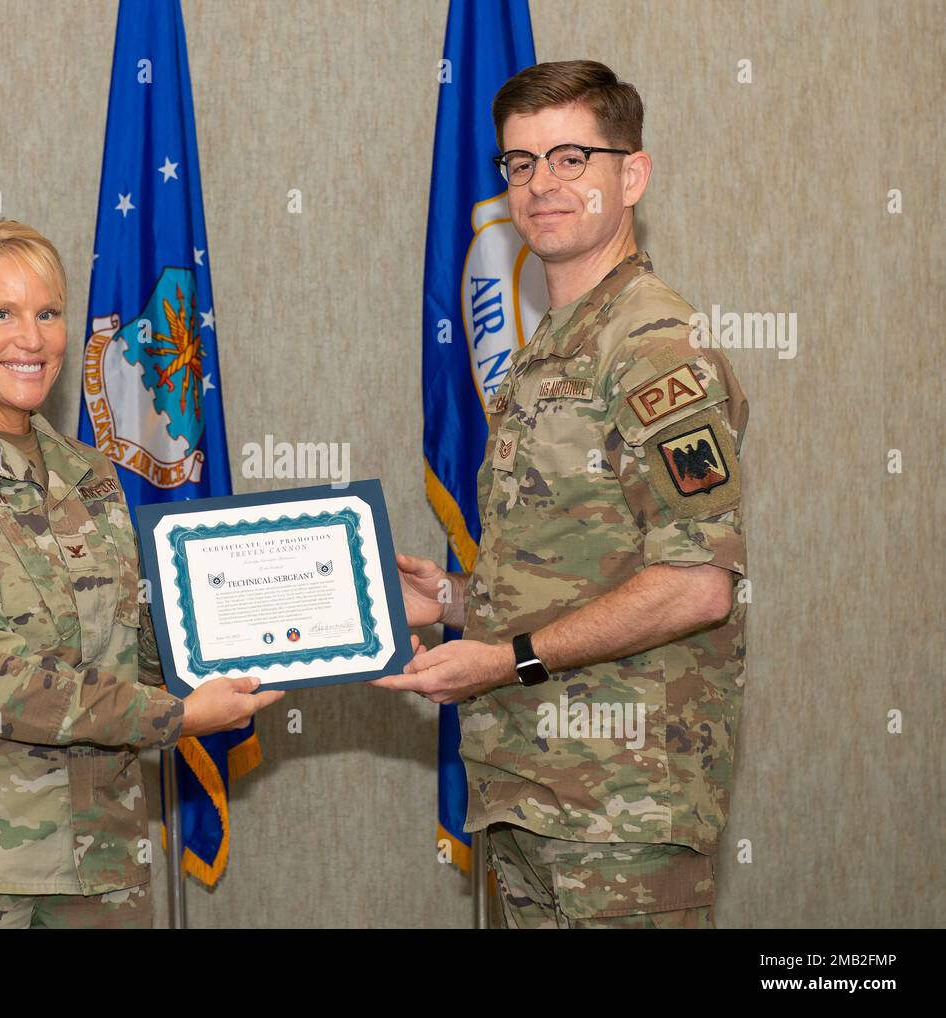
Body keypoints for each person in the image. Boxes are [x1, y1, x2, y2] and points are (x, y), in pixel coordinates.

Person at [374, 60, 749, 929]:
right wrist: (455, 600)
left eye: (572, 158)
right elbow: (583, 565)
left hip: (622, 808)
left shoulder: (653, 349)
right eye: (520, 163)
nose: (541, 184)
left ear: (633, 174)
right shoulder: (552, 350)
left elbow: (696, 584)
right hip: (533, 787)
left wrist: (506, 660)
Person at [0, 218, 281, 928]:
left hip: (101, 873)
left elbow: (146, 644)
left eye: (47, 313)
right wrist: (178, 716)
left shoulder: (89, 475)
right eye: (2, 313)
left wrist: (307, 615)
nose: (33, 338)